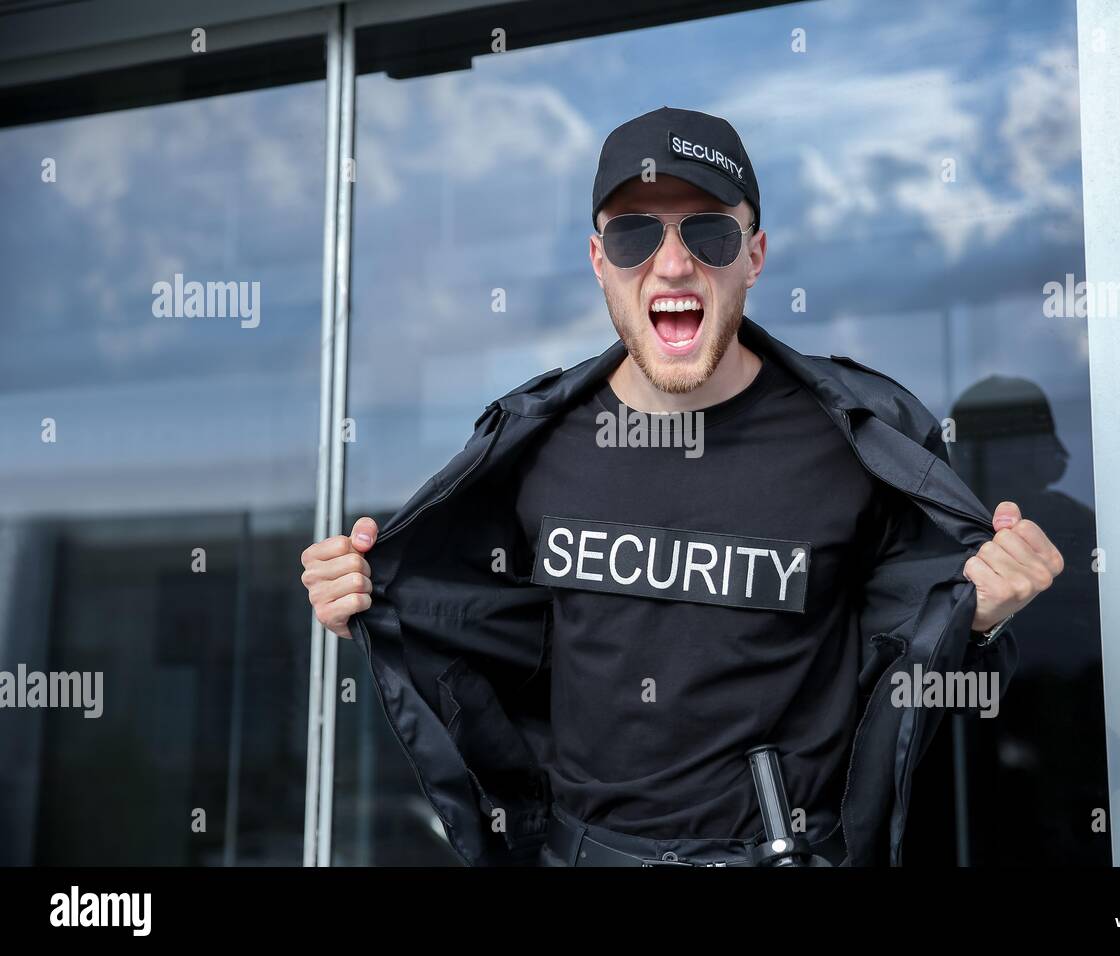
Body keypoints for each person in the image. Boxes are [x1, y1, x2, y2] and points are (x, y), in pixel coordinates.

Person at [299, 106, 1064, 867]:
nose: (672, 263)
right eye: (635, 232)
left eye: (709, 232)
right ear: (598, 261)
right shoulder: (533, 448)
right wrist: (372, 605)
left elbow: (916, 674)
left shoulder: (855, 444)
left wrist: (980, 620)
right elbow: (476, 633)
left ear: (754, 256)